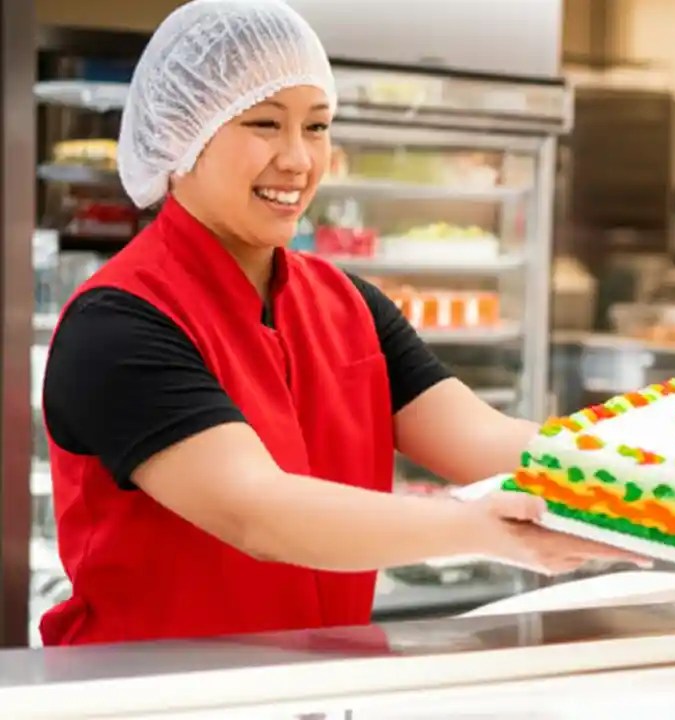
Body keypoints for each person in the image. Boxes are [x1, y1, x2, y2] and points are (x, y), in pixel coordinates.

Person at [39, 0, 642, 647]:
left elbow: (486, 440)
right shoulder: (120, 323)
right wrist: (477, 527)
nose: (298, 160)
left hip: (319, 684)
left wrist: (664, 480)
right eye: (265, 123)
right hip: (150, 697)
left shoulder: (348, 304)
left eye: (318, 127)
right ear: (184, 136)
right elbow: (258, 512)